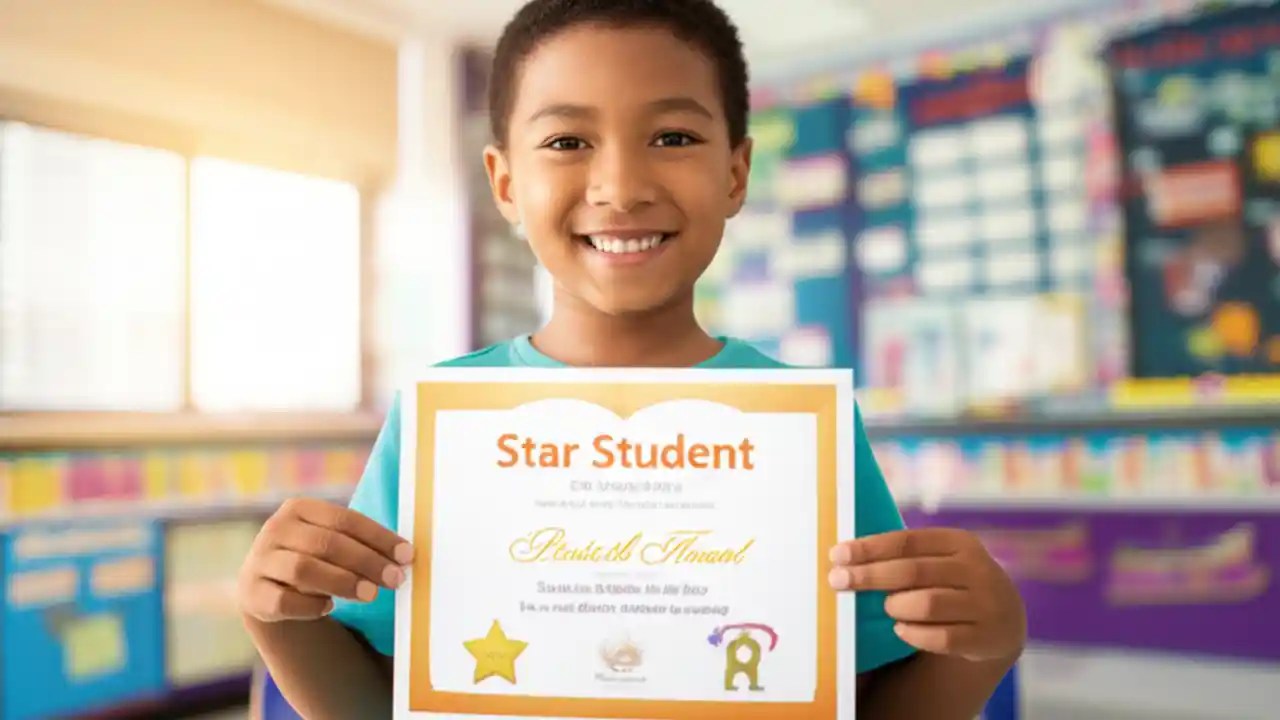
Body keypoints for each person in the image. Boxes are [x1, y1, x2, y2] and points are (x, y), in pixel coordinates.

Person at [236, 1, 1027, 717]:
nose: (619, 185)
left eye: (673, 137)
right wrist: (274, 619)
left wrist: (985, 648)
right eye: (567, 141)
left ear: (735, 173)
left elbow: (869, 701)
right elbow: (374, 706)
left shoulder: (805, 430)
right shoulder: (446, 419)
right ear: (505, 183)